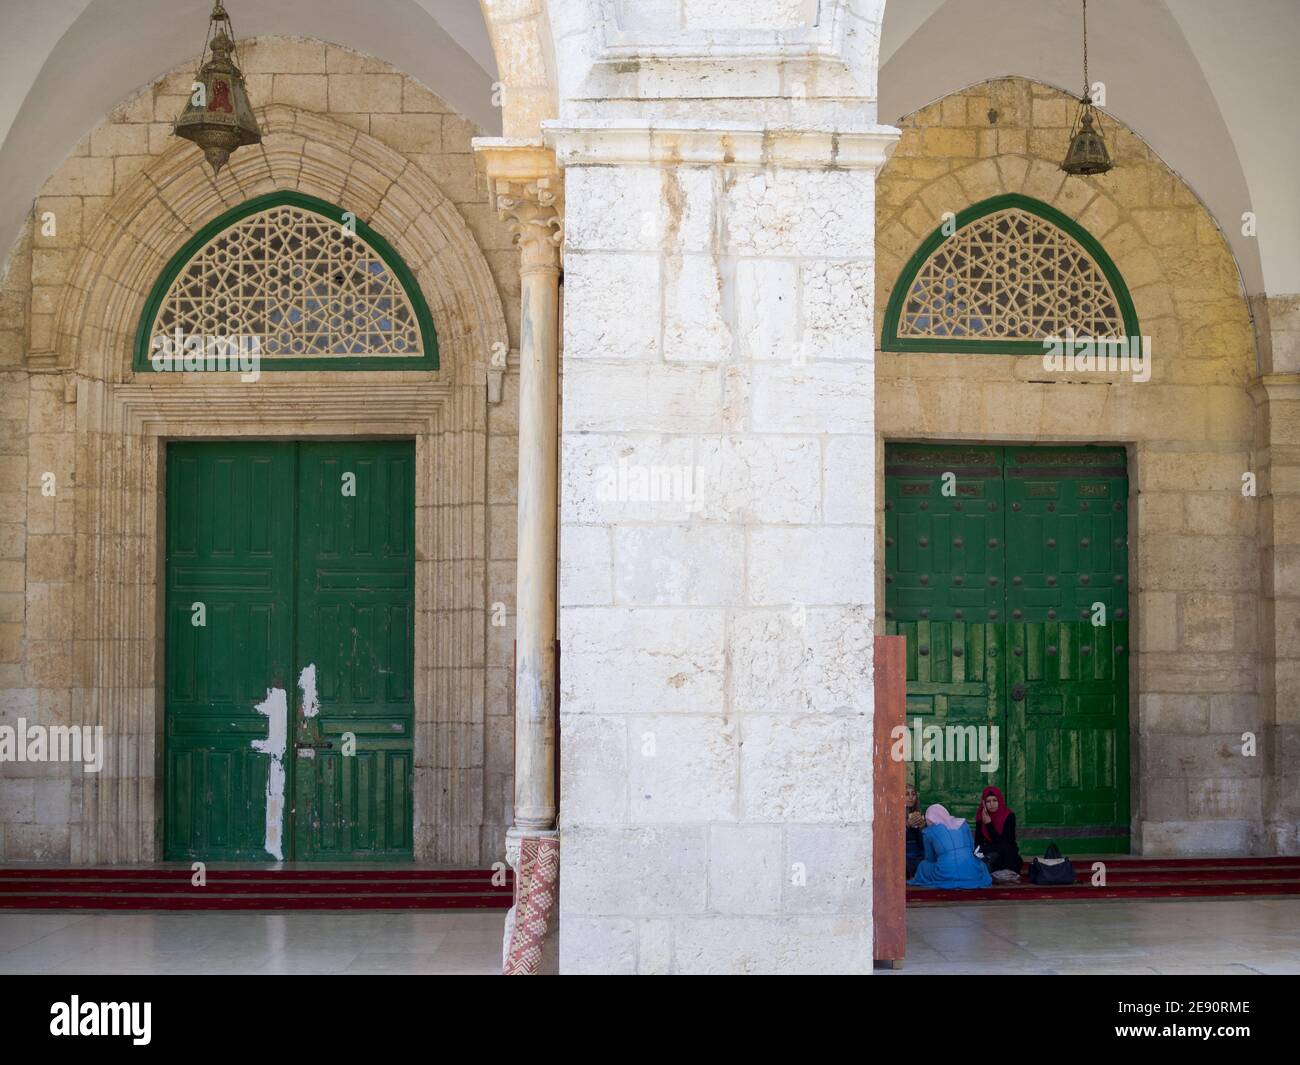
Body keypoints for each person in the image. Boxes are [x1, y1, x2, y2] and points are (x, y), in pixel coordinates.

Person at [905, 804, 992, 889]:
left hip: (945, 873)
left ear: (929, 819)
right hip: (971, 872)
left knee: (923, 866)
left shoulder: (929, 831)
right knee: (981, 864)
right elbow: (972, 849)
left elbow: (930, 859)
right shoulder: (963, 824)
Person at [974, 785, 1022, 883]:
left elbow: (1005, 842)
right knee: (979, 853)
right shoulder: (981, 816)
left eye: (995, 800)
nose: (992, 804)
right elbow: (978, 841)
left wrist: (988, 824)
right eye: (988, 801)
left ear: (999, 800)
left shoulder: (1009, 816)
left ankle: (1000, 873)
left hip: (1008, 855)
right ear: (984, 803)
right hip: (991, 853)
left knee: (1006, 848)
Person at [904, 783, 926, 879]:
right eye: (906, 794)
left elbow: (922, 844)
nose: (911, 797)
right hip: (904, 855)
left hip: (918, 855)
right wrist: (907, 825)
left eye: (913, 794)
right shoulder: (894, 815)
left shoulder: (919, 814)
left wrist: (922, 828)